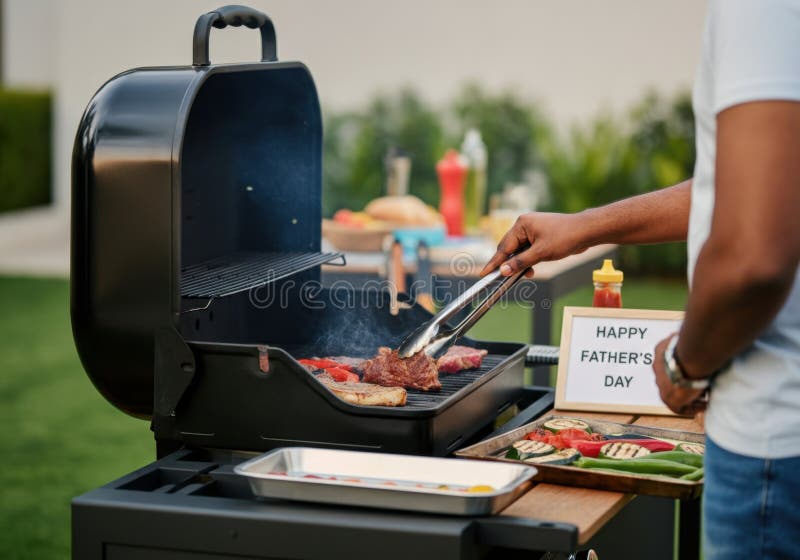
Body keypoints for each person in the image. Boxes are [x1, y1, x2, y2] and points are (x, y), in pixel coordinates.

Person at [481, 1, 800, 557]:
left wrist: (686, 365)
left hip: (777, 436)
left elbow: (755, 254)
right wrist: (585, 228)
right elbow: (744, 185)